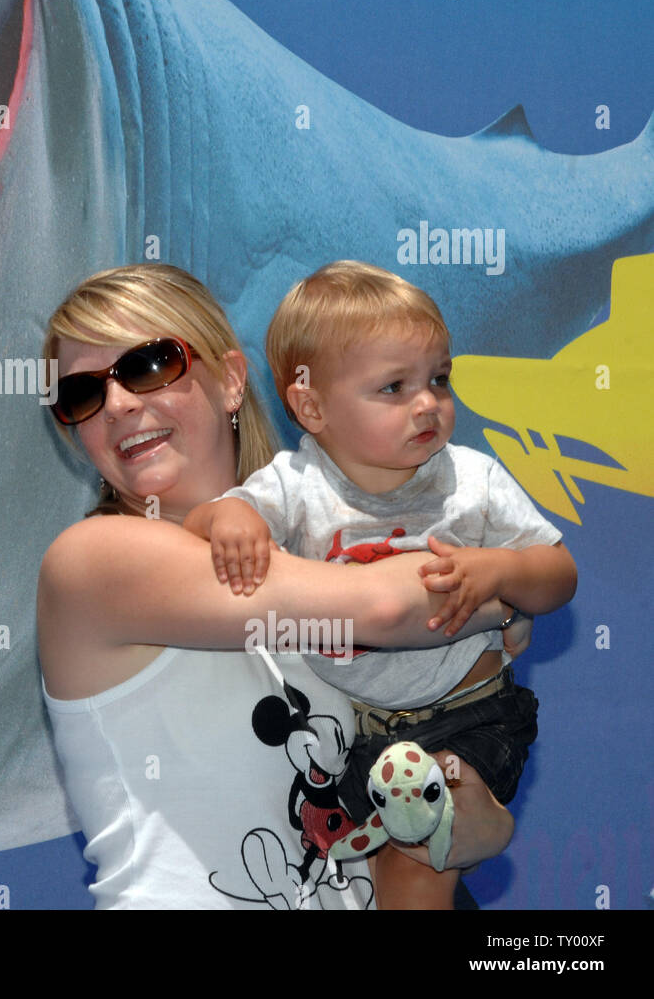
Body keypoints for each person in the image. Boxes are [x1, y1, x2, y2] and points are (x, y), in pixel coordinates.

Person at [37, 263, 526, 910]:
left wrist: (479, 828)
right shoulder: (91, 562)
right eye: (81, 393)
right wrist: (505, 593)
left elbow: (412, 811)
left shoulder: (313, 551)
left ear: (230, 380)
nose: (120, 403)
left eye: (149, 365)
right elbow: (389, 605)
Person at [184, 261, 576, 908]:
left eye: (439, 379)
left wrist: (501, 570)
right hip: (363, 739)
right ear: (311, 406)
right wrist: (230, 518)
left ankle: (474, 819)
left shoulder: (472, 479)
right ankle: (467, 828)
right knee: (381, 879)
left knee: (418, 863)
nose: (428, 403)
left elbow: (559, 574)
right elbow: (204, 524)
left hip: (470, 716)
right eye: (394, 387)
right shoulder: (295, 485)